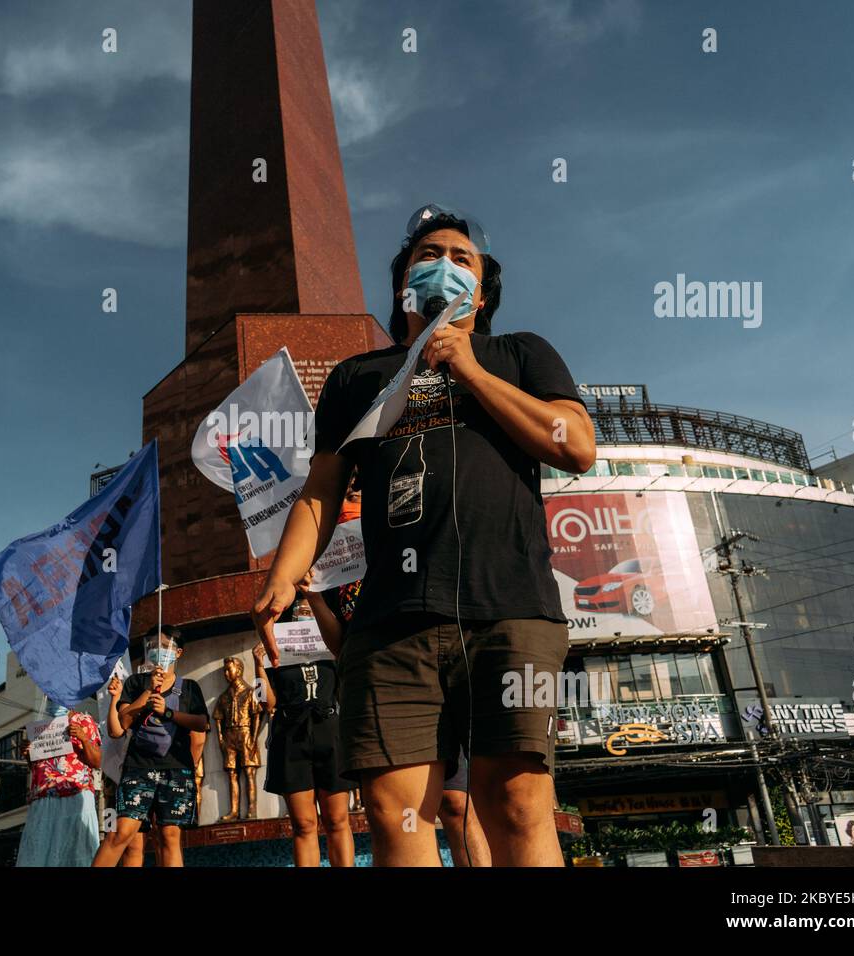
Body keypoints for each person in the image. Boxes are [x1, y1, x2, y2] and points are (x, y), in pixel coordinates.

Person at [253, 203, 595, 866]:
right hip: (391, 626)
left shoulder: (519, 353)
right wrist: (283, 572)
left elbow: (575, 444)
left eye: (461, 258)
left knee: (519, 801)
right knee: (393, 811)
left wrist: (468, 370)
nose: (444, 265)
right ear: (402, 281)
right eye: (427, 255)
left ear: (483, 290)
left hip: (512, 611)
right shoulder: (359, 379)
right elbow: (321, 493)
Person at [93, 629, 209, 867]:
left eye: (165, 645)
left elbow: (201, 723)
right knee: (121, 832)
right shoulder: (135, 683)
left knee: (170, 836)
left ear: (178, 652)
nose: (159, 650)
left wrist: (168, 713)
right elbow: (122, 723)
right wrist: (148, 691)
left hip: (176, 768)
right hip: (138, 768)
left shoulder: (189, 687)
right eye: (154, 645)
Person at [253, 633, 354, 867]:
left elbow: (346, 692)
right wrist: (258, 664)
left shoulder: (331, 646)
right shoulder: (275, 650)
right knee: (304, 824)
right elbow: (264, 702)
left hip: (329, 733)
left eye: (307, 610)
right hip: (291, 737)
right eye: (298, 609)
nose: (302, 613)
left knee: (337, 820)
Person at [16, 699, 102, 867]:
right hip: (44, 798)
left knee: (76, 852)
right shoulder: (39, 728)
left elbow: (97, 761)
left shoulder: (84, 721)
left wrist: (83, 738)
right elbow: (38, 769)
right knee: (39, 855)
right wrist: (28, 755)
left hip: (76, 795)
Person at [105, 667, 154, 866]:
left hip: (164, 773)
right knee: (130, 842)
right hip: (131, 776)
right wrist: (115, 698)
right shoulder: (134, 696)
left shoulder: (176, 691)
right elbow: (116, 730)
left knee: (164, 838)